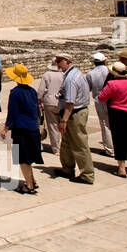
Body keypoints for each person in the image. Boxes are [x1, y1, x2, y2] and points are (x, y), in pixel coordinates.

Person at [53, 52, 94, 184]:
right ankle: (67, 168)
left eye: (59, 61)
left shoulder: (71, 79)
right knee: (66, 142)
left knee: (79, 144)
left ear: (67, 61)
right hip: (75, 112)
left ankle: (87, 174)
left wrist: (64, 120)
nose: (57, 64)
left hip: (74, 114)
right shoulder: (75, 73)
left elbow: (70, 102)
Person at [2, 64, 42, 193]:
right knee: (28, 157)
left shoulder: (15, 93)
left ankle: (29, 186)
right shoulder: (32, 91)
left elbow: (12, 113)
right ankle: (32, 180)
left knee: (22, 158)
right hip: (33, 128)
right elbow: (37, 111)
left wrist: (5, 129)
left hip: (21, 129)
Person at [97, 61, 127, 177]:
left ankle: (122, 168)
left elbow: (102, 97)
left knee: (119, 140)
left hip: (117, 113)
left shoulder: (112, 84)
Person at [85, 52, 114, 157]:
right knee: (114, 123)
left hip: (99, 99)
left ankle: (110, 149)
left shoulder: (90, 74)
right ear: (104, 61)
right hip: (112, 98)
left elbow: (88, 88)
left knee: (105, 124)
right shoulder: (110, 70)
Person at [37, 58, 65, 153]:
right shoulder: (64, 74)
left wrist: (39, 100)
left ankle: (56, 148)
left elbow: (41, 90)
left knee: (53, 125)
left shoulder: (46, 75)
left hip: (49, 102)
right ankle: (64, 146)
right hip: (62, 102)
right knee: (63, 124)